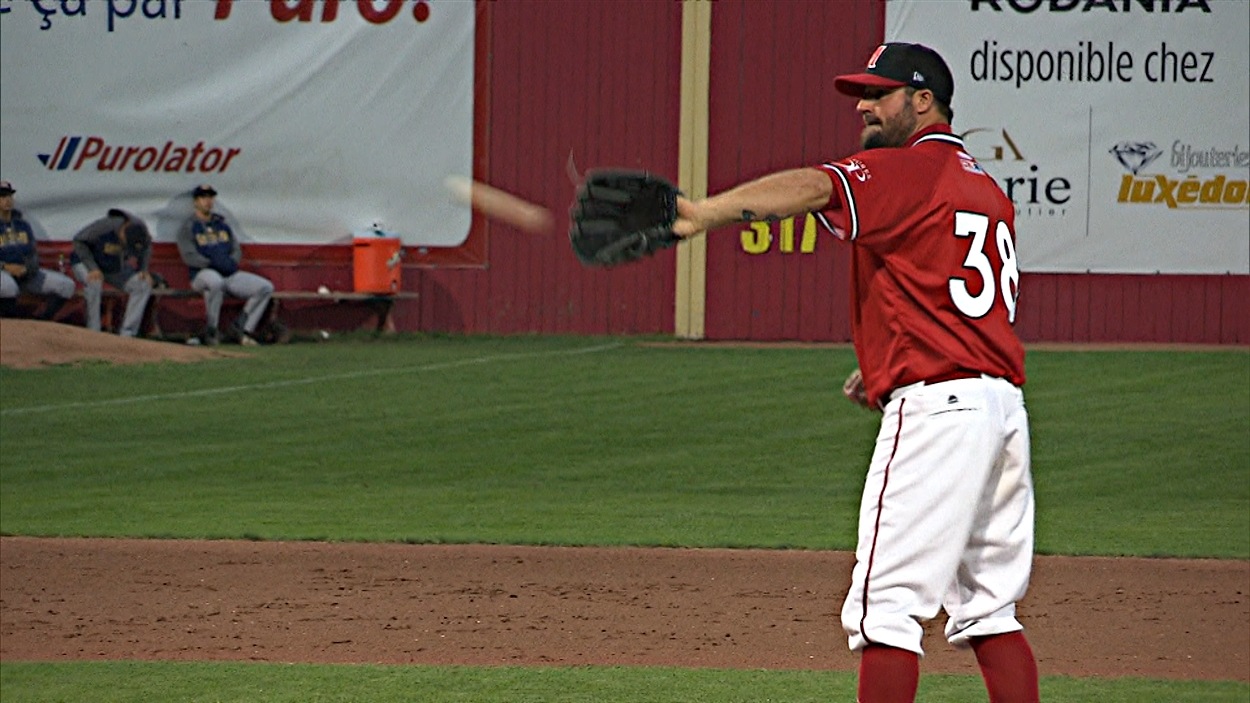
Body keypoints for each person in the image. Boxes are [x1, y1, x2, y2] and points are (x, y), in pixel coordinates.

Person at [670, 43, 1037, 703]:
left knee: (886, 609)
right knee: (990, 608)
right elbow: (954, 301)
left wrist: (702, 213)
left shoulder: (909, 169)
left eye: (879, 92)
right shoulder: (983, 185)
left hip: (940, 412)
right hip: (999, 409)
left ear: (923, 101)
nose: (864, 106)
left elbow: (815, 187)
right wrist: (885, 363)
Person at [175, 184, 273, 346]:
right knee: (215, 282)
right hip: (202, 274)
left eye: (210, 197)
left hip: (227, 273)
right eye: (203, 197)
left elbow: (236, 249)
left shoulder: (222, 224)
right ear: (195, 202)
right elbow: (189, 256)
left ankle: (241, 328)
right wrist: (213, 263)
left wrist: (229, 263)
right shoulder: (188, 226)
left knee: (265, 287)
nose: (207, 201)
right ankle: (211, 329)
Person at [70, 208, 154, 337]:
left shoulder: (140, 229)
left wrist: (143, 269)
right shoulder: (105, 226)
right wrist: (92, 267)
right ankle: (93, 333)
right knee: (95, 282)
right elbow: (79, 241)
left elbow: (147, 247)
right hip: (85, 261)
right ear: (122, 233)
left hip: (112, 266)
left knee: (143, 284)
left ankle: (127, 334)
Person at [0, 180, 76, 321]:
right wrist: (6, 267)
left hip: (26, 274)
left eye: (9, 196)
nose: (7, 200)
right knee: (8, 287)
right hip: (3, 273)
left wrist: (28, 269)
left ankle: (40, 324)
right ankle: (8, 327)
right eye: (2, 197)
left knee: (66, 286)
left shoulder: (22, 225)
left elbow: (33, 253)